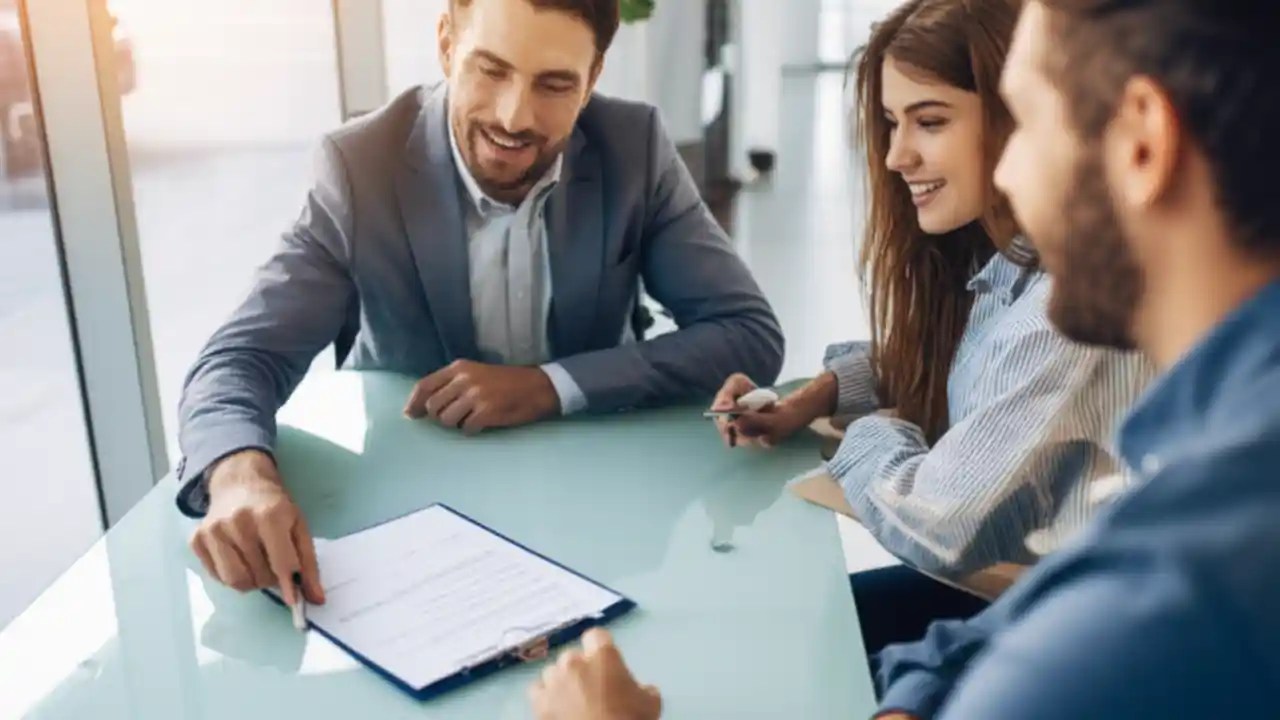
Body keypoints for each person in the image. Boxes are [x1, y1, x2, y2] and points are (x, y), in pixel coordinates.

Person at [528, 0, 1280, 717]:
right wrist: (917, 692)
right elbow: (1049, 595)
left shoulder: (1184, 577)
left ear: (1142, 142)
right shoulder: (1202, 452)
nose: (1009, 174)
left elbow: (1022, 584)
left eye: (1028, 124)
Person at [178, 0, 784, 604]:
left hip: (597, 500)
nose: (514, 117)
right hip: (416, 512)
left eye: (554, 84)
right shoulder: (360, 166)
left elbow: (747, 332)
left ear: (593, 76)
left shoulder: (634, 146)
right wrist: (239, 476)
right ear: (446, 44)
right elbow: (240, 358)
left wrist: (548, 386)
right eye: (491, 70)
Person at [712, 0, 1149, 653]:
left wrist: (871, 431)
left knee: (791, 642)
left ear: (1018, 117)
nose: (895, 156)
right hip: (1035, 599)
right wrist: (820, 394)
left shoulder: (1062, 309)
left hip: (1083, 640)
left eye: (931, 121)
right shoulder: (1011, 262)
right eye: (892, 123)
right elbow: (974, 358)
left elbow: (936, 523)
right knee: (791, 624)